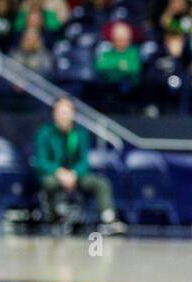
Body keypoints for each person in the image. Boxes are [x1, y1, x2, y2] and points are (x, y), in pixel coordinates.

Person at [33, 97, 124, 233]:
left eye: (67, 112)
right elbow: (41, 160)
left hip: (76, 176)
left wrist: (74, 174)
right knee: (49, 183)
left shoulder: (80, 133)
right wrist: (59, 173)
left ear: (73, 114)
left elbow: (83, 161)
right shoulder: (45, 133)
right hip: (54, 175)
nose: (64, 116)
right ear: (54, 114)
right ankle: (55, 217)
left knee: (101, 183)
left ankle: (109, 219)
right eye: (61, 112)